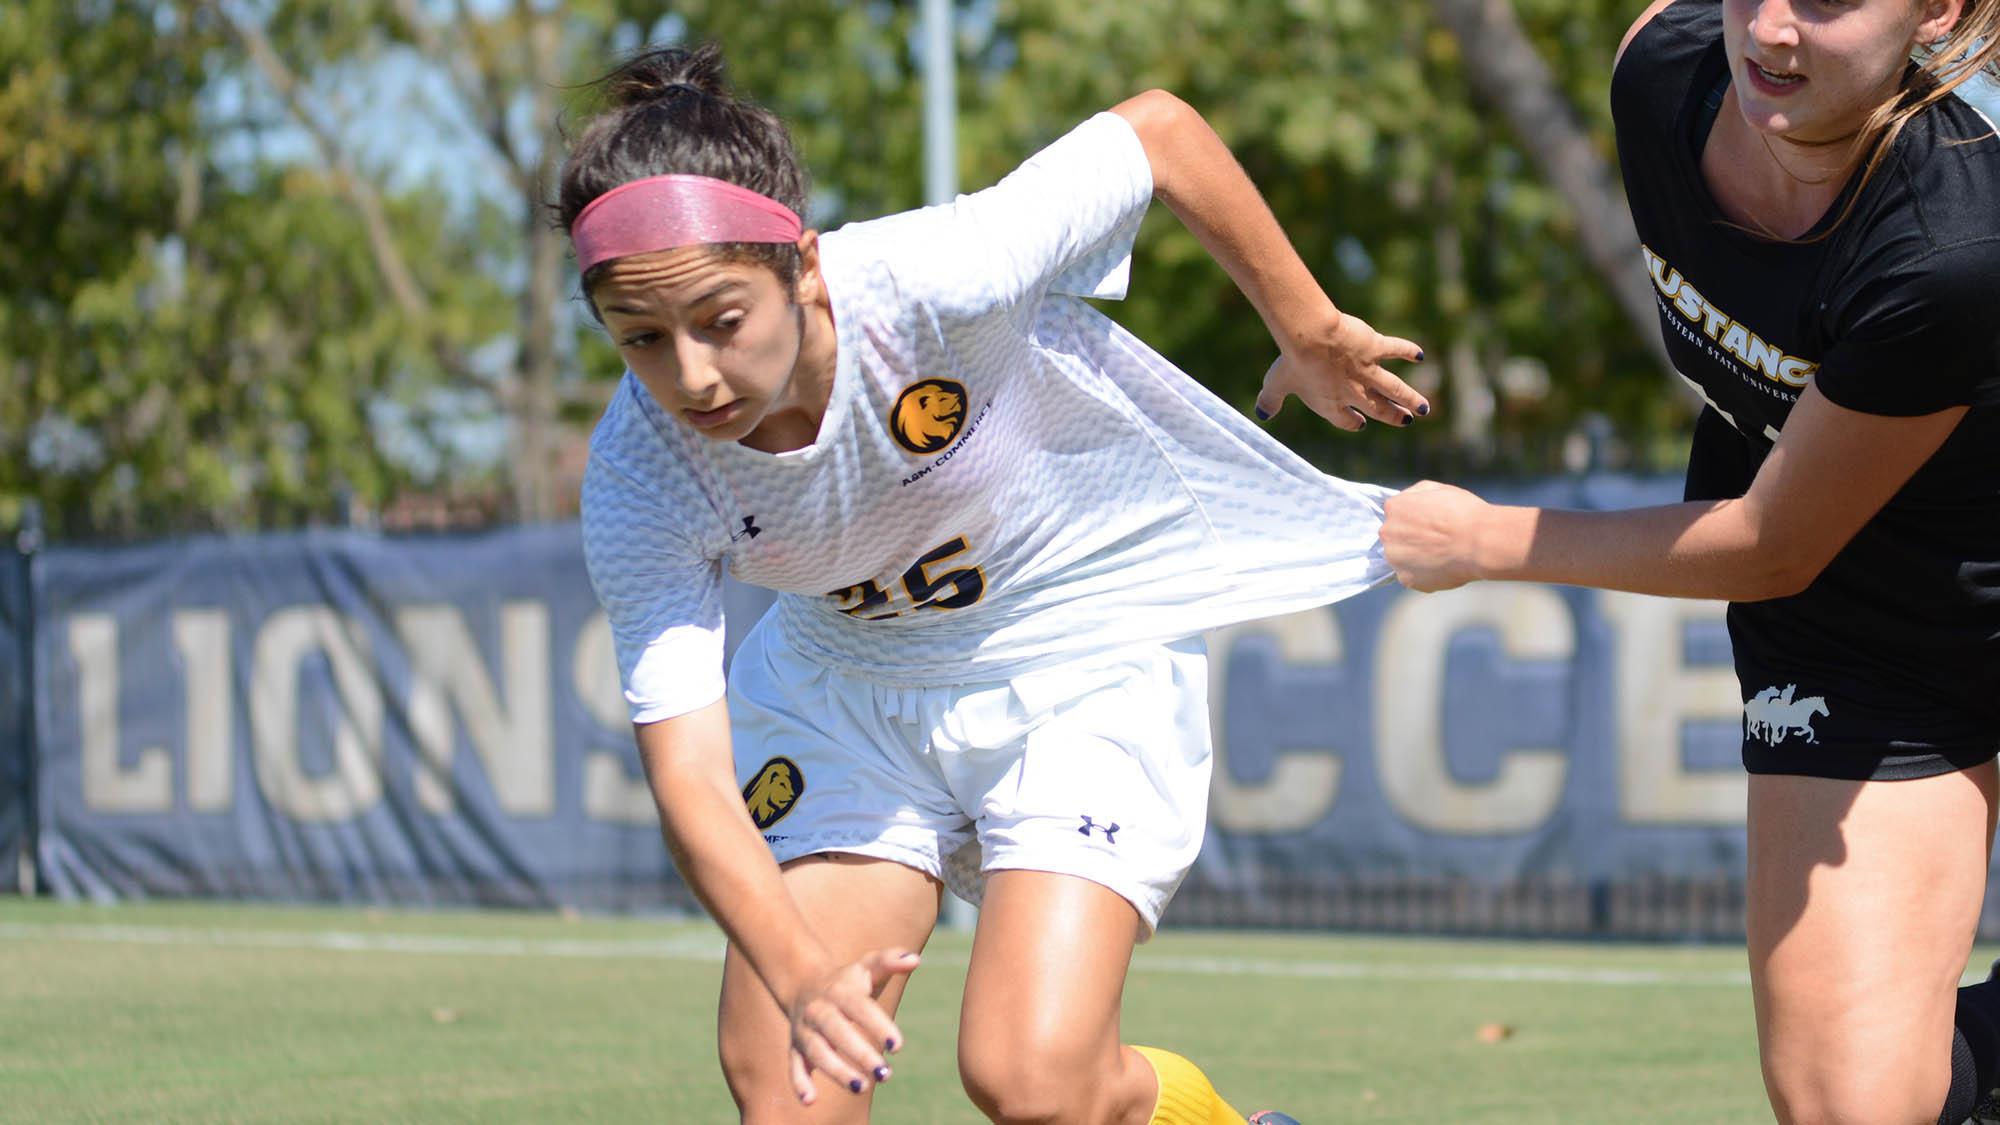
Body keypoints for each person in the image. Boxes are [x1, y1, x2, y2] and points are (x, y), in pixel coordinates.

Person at [560, 42, 1426, 1125]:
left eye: (721, 322)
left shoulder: (941, 277)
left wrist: (1307, 329)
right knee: (790, 1088)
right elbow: (689, 774)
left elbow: (1157, 131)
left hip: (1072, 653)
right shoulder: (641, 474)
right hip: (844, 693)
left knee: (1033, 1085)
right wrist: (797, 973)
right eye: (638, 340)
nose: (689, 375)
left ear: (806, 267)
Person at [1380, 1, 2000, 1121]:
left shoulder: (1950, 247)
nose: (1769, 29)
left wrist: (1484, 541)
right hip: (1865, 632)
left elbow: (1766, 543)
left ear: (1935, 13)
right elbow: (1793, 549)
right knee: (1847, 1106)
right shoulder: (1658, 73)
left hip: (1820, 558)